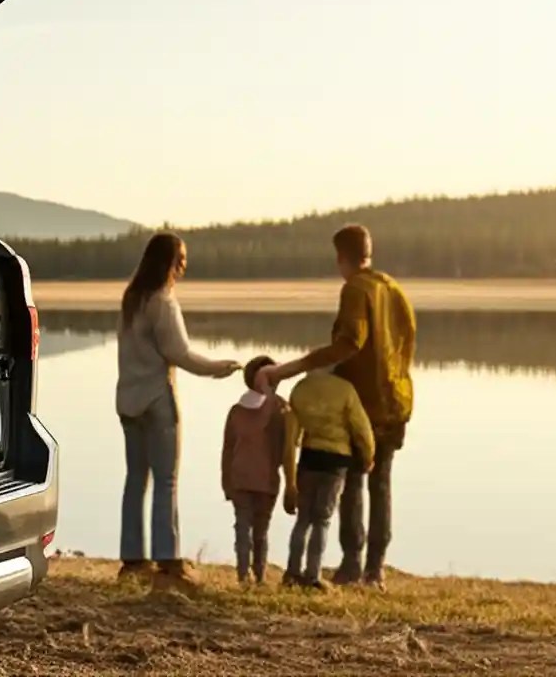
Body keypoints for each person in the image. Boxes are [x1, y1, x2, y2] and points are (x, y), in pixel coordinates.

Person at [256, 224, 415, 590]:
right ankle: (376, 569)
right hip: (397, 400)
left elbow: (350, 343)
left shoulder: (356, 289)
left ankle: (352, 565)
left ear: (341, 257)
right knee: (381, 483)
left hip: (363, 404)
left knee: (354, 481)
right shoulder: (392, 288)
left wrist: (292, 368)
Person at [116, 233, 241, 589]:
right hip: (157, 401)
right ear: (166, 263)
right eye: (180, 259)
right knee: (166, 480)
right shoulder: (163, 302)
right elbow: (180, 354)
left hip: (127, 401)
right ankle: (168, 561)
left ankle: (133, 560)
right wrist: (219, 368)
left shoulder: (132, 299)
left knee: (135, 480)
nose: (184, 266)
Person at [280, 368, 376, 590]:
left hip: (309, 457)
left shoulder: (301, 389)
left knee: (303, 519)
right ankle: (313, 575)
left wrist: (290, 481)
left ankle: (292, 572)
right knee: (322, 520)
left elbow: (291, 439)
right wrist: (368, 455)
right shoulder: (345, 390)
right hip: (336, 461)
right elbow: (361, 428)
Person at [221, 356, 288, 585]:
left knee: (242, 527)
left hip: (239, 477)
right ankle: (258, 575)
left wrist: (226, 481)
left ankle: (243, 574)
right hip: (267, 479)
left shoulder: (236, 410)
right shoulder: (279, 408)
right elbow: (287, 446)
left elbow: (228, 449)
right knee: (261, 531)